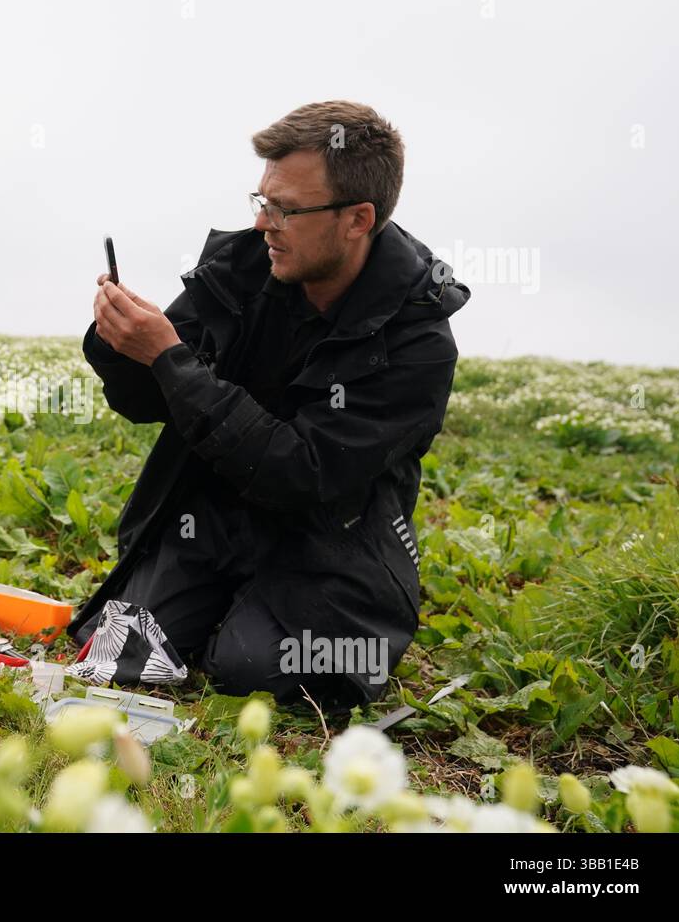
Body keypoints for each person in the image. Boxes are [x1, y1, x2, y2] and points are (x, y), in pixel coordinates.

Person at [67, 100, 470, 710]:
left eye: (286, 209)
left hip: (331, 539)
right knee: (122, 651)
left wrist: (169, 358)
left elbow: (300, 472)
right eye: (261, 202)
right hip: (212, 520)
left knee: (254, 671)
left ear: (358, 219)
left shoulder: (417, 343)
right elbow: (149, 401)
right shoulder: (242, 270)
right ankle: (224, 606)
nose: (264, 225)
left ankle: (266, 625)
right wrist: (122, 347)